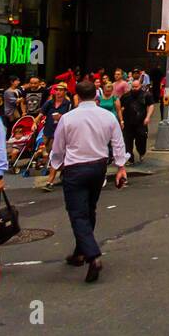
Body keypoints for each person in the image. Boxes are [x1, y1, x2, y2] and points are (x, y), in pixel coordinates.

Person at [49, 80, 128, 283]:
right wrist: (120, 167)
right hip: (98, 167)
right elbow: (118, 142)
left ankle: (92, 255)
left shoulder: (68, 118)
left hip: (75, 168)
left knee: (77, 213)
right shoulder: (107, 116)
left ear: (76, 96)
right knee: (89, 208)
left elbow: (58, 146)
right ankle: (80, 252)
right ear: (96, 95)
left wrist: (56, 164)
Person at [116, 78, 154, 164]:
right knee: (127, 141)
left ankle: (141, 152)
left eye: (136, 87)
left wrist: (148, 117)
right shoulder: (126, 96)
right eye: (133, 87)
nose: (134, 88)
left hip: (141, 122)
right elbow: (120, 108)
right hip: (128, 122)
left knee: (141, 139)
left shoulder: (146, 95)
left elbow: (151, 105)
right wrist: (121, 120)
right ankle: (130, 158)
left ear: (140, 86)